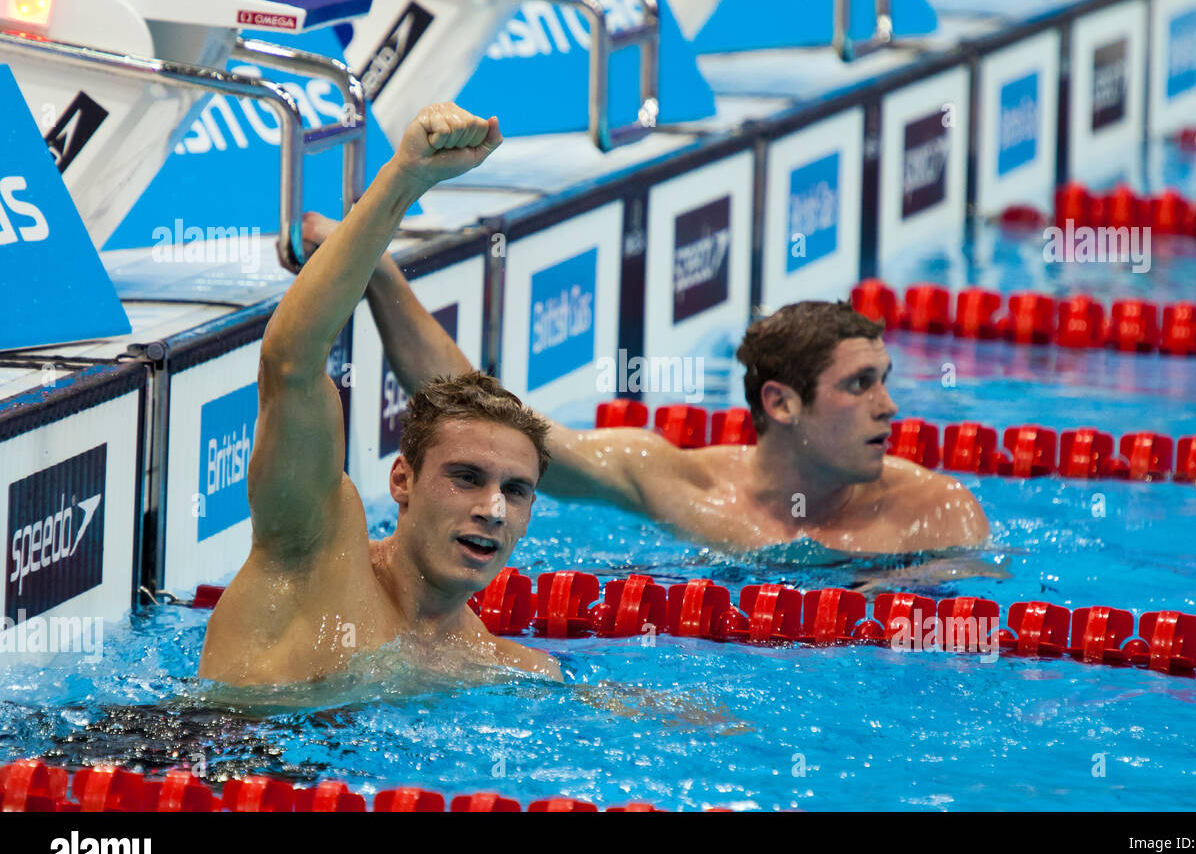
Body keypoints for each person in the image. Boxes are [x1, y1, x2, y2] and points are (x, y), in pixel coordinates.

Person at [304, 200, 988, 561]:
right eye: (859, 385)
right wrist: (378, 273)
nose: (889, 407)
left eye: (884, 381)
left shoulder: (936, 514)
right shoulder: (678, 483)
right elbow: (484, 417)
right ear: (781, 403)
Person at [199, 104, 561, 686]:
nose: (492, 508)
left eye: (514, 491)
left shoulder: (506, 669)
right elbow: (289, 362)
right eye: (466, 476)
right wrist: (406, 178)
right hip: (197, 760)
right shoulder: (316, 545)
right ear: (402, 481)